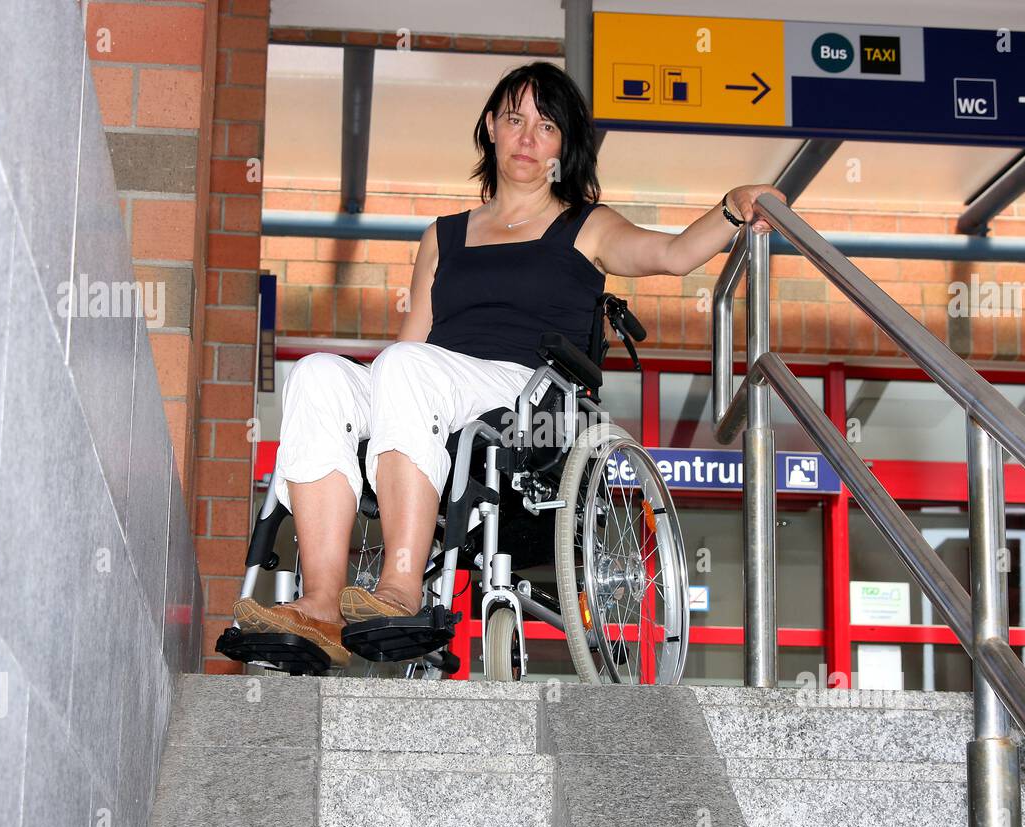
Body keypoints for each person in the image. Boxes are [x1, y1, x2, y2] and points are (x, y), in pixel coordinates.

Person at [233, 61, 783, 665]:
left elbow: (673, 254)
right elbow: (409, 344)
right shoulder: (442, 236)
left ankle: (400, 586)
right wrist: (369, 394)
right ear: (490, 127)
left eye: (546, 127)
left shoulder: (586, 225)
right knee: (318, 374)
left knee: (408, 370)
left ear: (564, 146)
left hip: (523, 394)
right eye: (515, 120)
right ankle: (321, 605)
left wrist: (732, 207)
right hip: (433, 380)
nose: (527, 138)